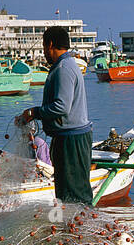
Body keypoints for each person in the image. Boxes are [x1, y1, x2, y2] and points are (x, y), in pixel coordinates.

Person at [18, 26, 93, 205]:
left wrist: (35, 112)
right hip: (67, 137)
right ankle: (72, 228)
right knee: (66, 192)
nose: (44, 53)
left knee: (74, 194)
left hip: (72, 139)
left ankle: (83, 228)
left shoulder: (64, 69)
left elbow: (61, 107)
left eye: (44, 48)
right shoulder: (64, 66)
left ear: (50, 44)